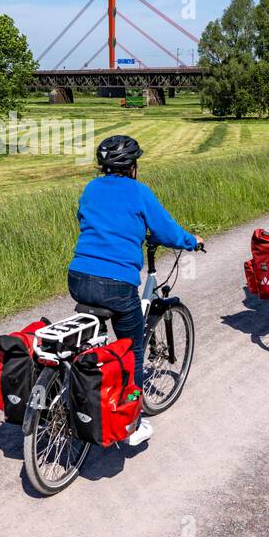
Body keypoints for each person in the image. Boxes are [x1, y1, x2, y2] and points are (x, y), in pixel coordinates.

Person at [68, 134, 200, 446]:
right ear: (133, 166)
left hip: (78, 277)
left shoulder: (91, 188)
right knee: (131, 349)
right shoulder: (139, 192)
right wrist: (192, 241)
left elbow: (86, 219)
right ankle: (132, 422)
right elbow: (166, 230)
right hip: (116, 284)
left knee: (92, 341)